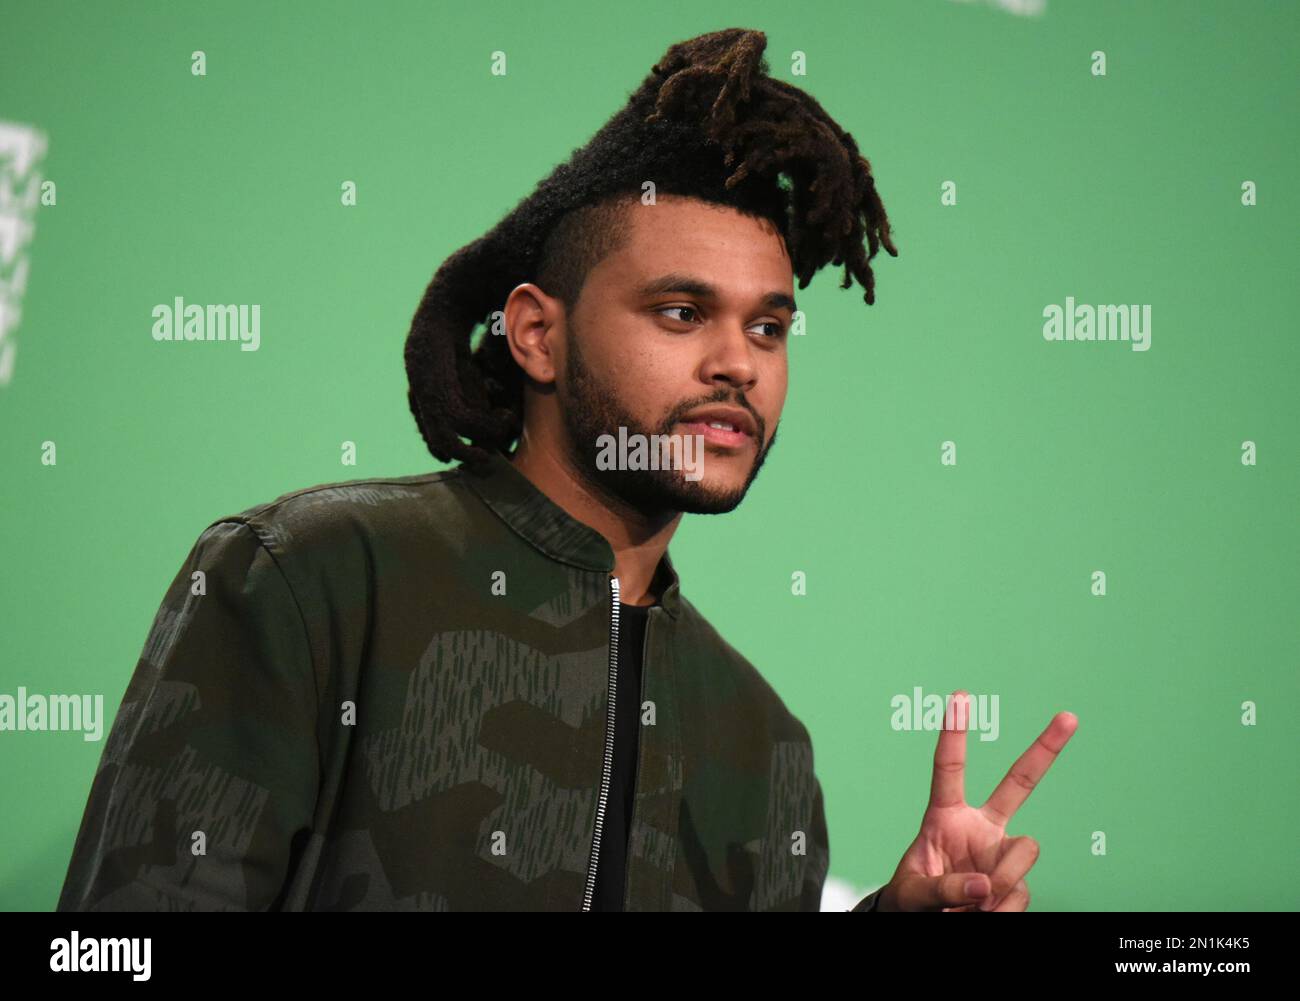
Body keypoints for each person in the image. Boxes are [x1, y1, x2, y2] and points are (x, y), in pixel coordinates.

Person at [57, 27, 1075, 912]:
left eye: (768, 326)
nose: (738, 361)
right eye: (681, 313)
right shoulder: (308, 575)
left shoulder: (766, 746)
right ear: (537, 334)